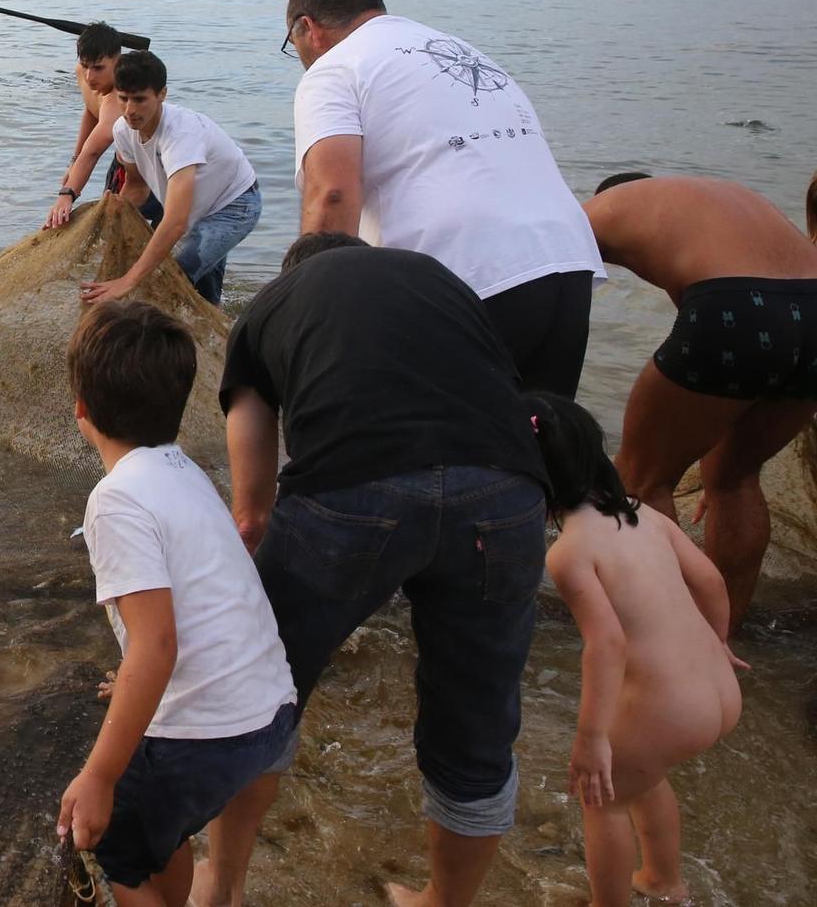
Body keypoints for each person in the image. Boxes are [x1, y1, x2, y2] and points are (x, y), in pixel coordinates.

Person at [208, 233, 547, 907]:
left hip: (352, 487)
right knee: (476, 725)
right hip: (506, 492)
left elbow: (251, 514)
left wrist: (244, 615)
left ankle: (220, 889)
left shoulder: (271, 305)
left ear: (292, 273)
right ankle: (441, 902)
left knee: (261, 694)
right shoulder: (436, 280)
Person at [56, 302, 297, 907]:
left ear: (81, 408)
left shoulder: (114, 499)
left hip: (209, 733)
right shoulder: (184, 471)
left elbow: (157, 645)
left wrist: (99, 776)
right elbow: (207, 602)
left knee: (120, 845)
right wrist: (133, 683)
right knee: (160, 828)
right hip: (270, 712)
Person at [284, 0, 603, 396]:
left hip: (465, 275)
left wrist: (306, 315)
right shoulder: (461, 50)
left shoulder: (335, 68)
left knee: (429, 432)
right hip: (567, 261)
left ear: (308, 28)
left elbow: (332, 194)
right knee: (537, 429)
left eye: (292, 46)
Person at [532, 390, 742, 907]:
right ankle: (662, 880)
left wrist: (591, 739)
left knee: (601, 798)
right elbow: (711, 581)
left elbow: (606, 644)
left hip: (667, 711)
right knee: (642, 780)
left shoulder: (570, 551)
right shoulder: (646, 515)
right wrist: (719, 642)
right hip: (718, 692)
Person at [583, 173, 817, 630]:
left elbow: (546, 295)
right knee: (734, 478)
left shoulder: (591, 215)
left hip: (738, 303)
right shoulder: (701, 202)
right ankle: (720, 634)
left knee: (641, 482)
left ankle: (665, 640)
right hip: (810, 305)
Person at [80, 51, 261, 307]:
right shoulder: (123, 130)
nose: (130, 110)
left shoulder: (180, 136)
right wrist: (113, 220)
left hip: (233, 205)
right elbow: (137, 187)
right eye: (123, 98)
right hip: (196, 202)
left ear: (162, 94)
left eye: (140, 99)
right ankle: (215, 319)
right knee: (203, 293)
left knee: (171, 276)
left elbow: (176, 223)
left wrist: (128, 280)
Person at [45, 23, 162, 230]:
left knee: (130, 224)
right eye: (85, 65)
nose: (90, 77)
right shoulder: (82, 73)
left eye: (99, 68)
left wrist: (67, 194)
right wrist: (74, 161)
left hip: (155, 164)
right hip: (124, 159)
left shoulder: (117, 100)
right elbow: (92, 111)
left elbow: (94, 151)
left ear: (118, 62)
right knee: (111, 222)